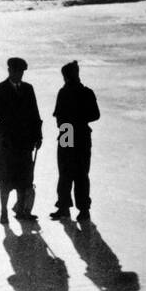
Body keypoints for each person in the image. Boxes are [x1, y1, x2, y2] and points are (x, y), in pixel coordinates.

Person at [0, 57, 43, 224]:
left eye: (21, 72)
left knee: (24, 180)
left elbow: (35, 115)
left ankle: (20, 210)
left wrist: (38, 136)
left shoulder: (28, 89)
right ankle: (3, 211)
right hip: (6, 145)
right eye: (17, 71)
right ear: (9, 71)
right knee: (4, 181)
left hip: (25, 143)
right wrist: (0, 135)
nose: (19, 75)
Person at [51, 60, 100, 223]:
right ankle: (80, 209)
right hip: (78, 134)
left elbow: (59, 117)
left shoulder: (66, 92)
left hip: (69, 133)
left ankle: (69, 207)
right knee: (77, 173)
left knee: (70, 173)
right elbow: (94, 115)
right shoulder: (84, 92)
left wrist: (73, 120)